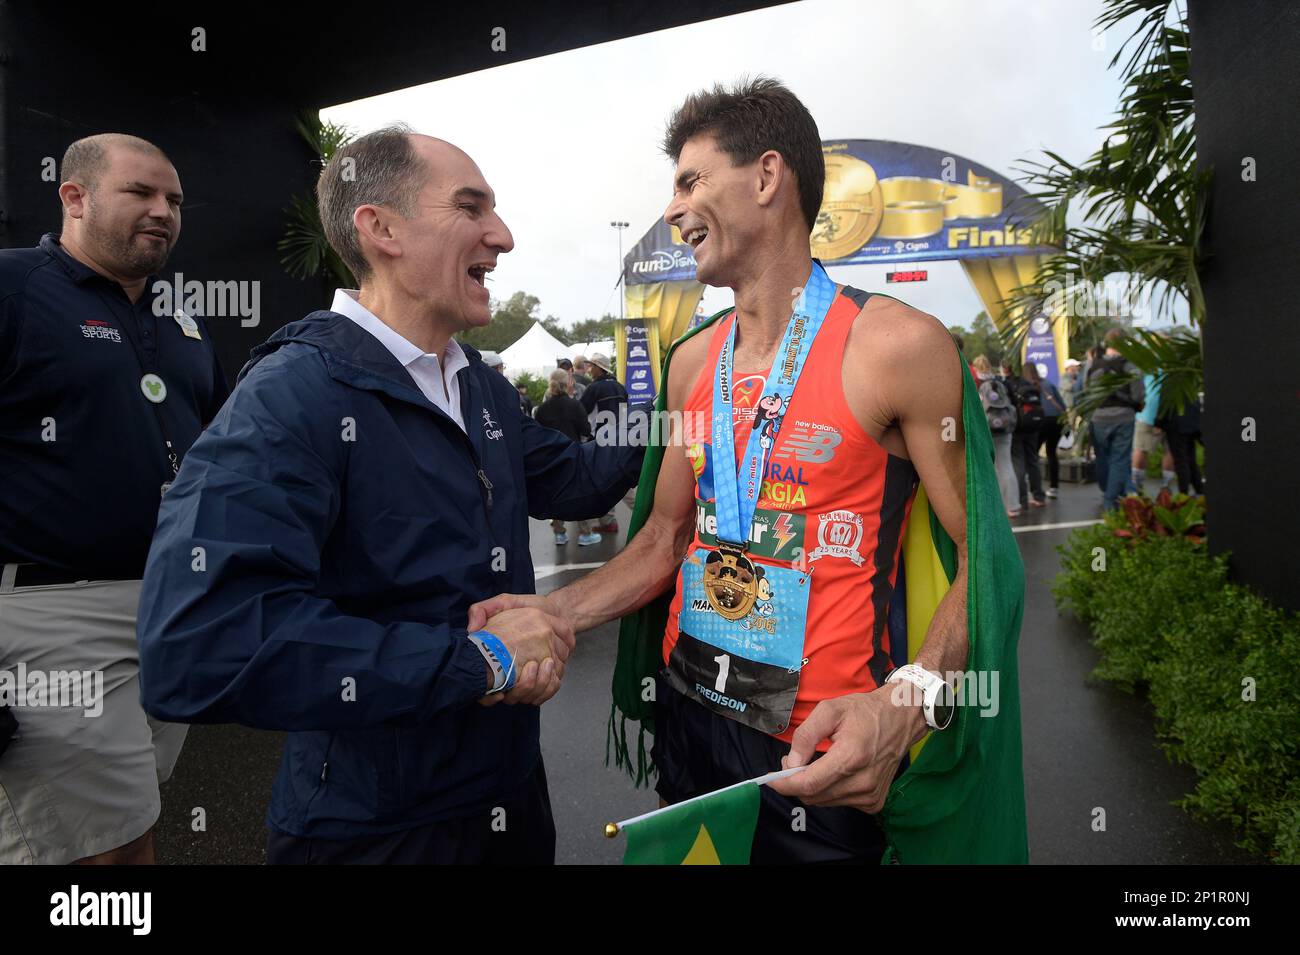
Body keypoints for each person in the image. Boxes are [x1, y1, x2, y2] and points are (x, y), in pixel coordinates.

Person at [469, 78, 987, 863]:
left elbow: (983, 558)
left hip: (820, 742)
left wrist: (906, 702)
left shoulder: (896, 346)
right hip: (693, 717)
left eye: (689, 181)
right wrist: (556, 611)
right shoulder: (690, 363)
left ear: (768, 177)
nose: (672, 210)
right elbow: (664, 536)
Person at [135, 126, 645, 865]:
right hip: (373, 831)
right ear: (381, 229)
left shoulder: (483, 388)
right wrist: (479, 660)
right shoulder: (295, 393)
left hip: (510, 799)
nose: (501, 235)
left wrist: (689, 406)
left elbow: (578, 480)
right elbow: (198, 641)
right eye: (471, 208)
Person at [0, 134, 229, 865]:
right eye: (141, 193)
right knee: (105, 847)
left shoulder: (182, 323)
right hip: (50, 614)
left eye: (175, 201)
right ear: (74, 196)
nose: (163, 211)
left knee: (123, 820)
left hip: (172, 612)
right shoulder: (13, 289)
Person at [536, 369, 600, 546]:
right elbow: (586, 430)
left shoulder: (542, 409)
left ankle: (559, 533)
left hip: (550, 458)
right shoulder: (574, 405)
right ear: (568, 384)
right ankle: (585, 534)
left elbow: (538, 433)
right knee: (580, 494)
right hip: (573, 455)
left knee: (554, 496)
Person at [1086, 328, 1145, 512]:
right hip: (1123, 417)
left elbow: (1086, 391)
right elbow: (1138, 395)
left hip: (1098, 418)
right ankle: (1110, 501)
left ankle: (1107, 490)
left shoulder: (1093, 365)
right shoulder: (1130, 366)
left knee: (1102, 457)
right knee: (1119, 459)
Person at [580, 352, 630, 534]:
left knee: (603, 479)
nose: (589, 369)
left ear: (600, 369)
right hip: (623, 437)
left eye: (592, 366)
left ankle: (609, 521)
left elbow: (582, 412)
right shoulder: (620, 387)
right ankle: (644, 516)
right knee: (624, 477)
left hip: (601, 440)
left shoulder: (594, 388)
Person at [974, 355, 1021, 517]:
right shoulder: (1001, 382)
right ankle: (1013, 505)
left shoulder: (977, 384)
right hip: (1005, 428)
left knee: (990, 467)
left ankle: (996, 504)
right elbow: (1014, 404)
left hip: (987, 429)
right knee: (1006, 465)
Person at [1006, 362, 1047, 510]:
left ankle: (1022, 500)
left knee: (1018, 463)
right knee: (1033, 461)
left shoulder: (1011, 385)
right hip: (1033, 427)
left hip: (1018, 428)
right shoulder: (1033, 385)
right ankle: (1039, 496)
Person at [1131, 368, 1176, 495]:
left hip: (1148, 414)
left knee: (1140, 449)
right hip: (1170, 413)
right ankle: (1166, 487)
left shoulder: (1144, 358)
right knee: (1170, 451)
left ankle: (1136, 487)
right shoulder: (1172, 357)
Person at [1158, 392, 1203, 495]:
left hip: (1176, 424)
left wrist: (1159, 422)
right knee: (1191, 460)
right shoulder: (1190, 382)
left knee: (1181, 461)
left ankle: (1184, 493)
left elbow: (1165, 404)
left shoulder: (1171, 382)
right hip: (1191, 424)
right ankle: (1199, 490)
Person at [1035, 366, 1067, 499]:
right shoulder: (1048, 384)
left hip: (1040, 421)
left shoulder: (1030, 386)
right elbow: (1062, 405)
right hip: (1057, 421)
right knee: (1051, 453)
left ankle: (1035, 488)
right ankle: (1054, 487)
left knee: (1032, 455)